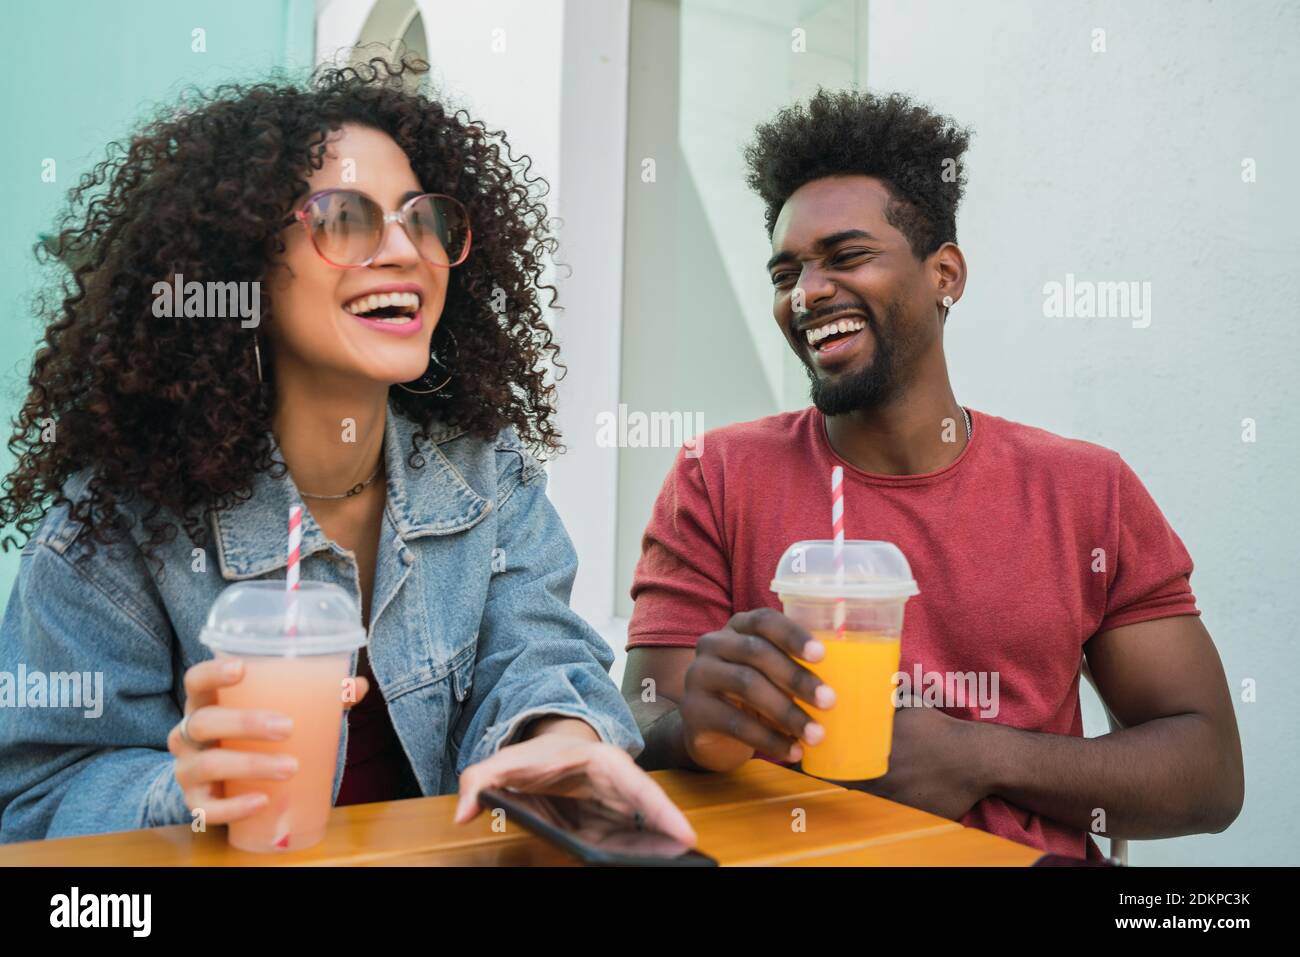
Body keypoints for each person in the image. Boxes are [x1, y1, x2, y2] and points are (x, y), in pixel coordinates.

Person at [0, 57, 692, 847]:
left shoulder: (485, 468)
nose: (404, 249)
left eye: (420, 219)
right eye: (343, 218)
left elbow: (536, 654)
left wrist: (559, 741)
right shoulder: (114, 528)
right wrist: (179, 791)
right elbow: (35, 800)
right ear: (240, 263)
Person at [620, 88, 1242, 860]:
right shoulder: (716, 476)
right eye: (786, 272)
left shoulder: (1086, 489)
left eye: (846, 256)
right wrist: (694, 728)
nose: (807, 293)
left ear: (945, 272)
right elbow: (639, 726)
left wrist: (979, 756)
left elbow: (1209, 772)